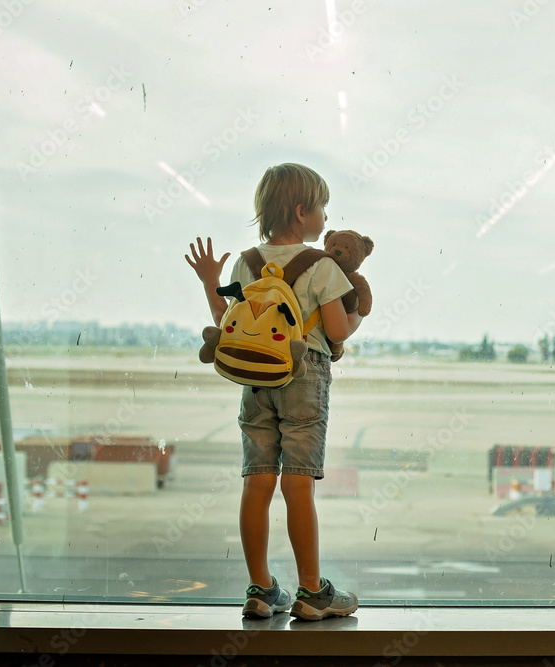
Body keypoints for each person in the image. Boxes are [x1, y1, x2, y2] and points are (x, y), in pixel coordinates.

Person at [185, 163, 363, 620]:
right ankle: (312, 592)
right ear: (302, 212)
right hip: (303, 374)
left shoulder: (246, 262)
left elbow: (228, 321)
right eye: (322, 207)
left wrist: (209, 281)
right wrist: (358, 313)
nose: (326, 216)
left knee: (258, 479)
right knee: (298, 482)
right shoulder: (322, 266)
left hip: (257, 378)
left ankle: (261, 589)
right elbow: (338, 330)